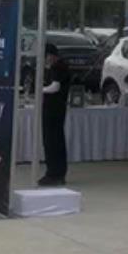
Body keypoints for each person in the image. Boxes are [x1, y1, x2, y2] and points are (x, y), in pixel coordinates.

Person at [39, 42, 71, 186]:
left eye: (45, 57)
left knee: (53, 141)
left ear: (51, 56)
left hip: (55, 108)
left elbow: (55, 86)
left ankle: (55, 173)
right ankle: (54, 171)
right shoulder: (55, 67)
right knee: (51, 140)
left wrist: (41, 89)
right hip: (52, 108)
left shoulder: (59, 67)